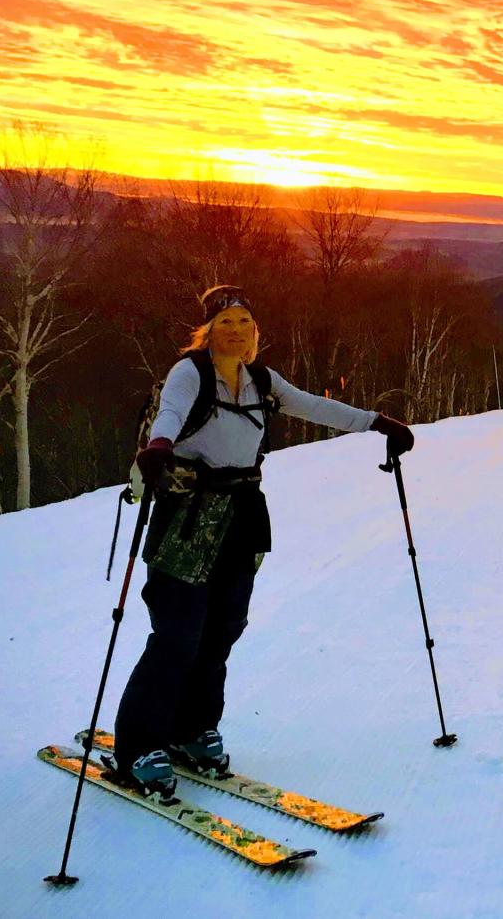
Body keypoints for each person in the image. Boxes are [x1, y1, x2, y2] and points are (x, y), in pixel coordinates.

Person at [107, 285, 415, 795]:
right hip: (188, 517)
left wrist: (377, 423)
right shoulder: (191, 372)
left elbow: (316, 407)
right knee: (177, 635)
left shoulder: (261, 380)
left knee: (221, 630)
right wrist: (159, 447)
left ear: (254, 333)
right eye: (225, 321)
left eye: (244, 321)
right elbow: (170, 413)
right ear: (208, 331)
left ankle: (192, 729)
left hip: (243, 516)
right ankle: (139, 747)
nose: (236, 329)